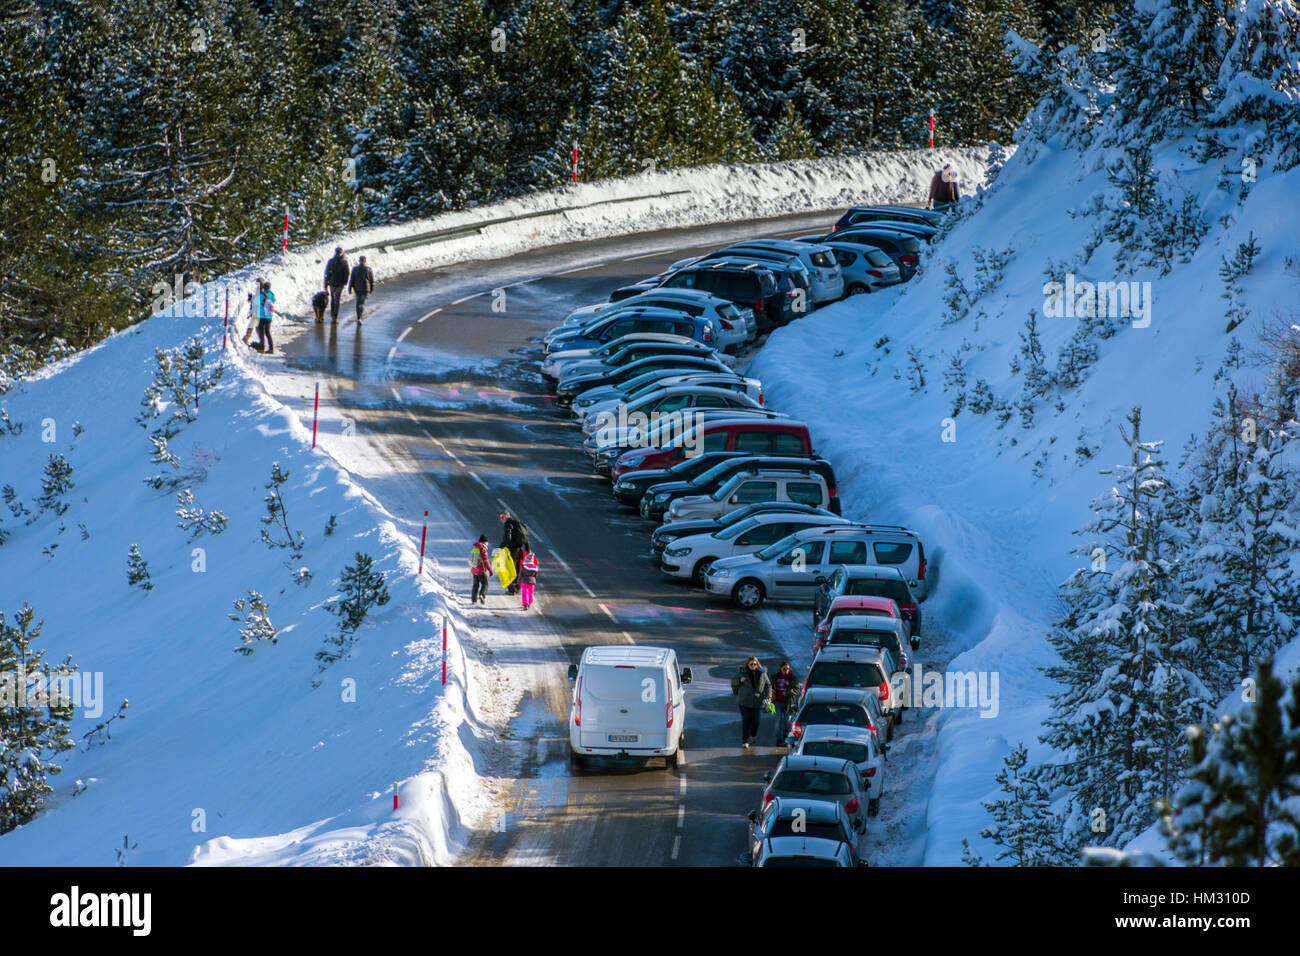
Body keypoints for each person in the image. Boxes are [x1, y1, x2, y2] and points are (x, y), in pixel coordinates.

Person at [730, 656, 772, 750]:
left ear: (757, 664)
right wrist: (740, 681)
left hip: (757, 701)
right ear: (747, 664)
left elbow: (768, 684)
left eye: (754, 664)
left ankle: (753, 735)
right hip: (744, 701)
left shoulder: (762, 673)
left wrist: (769, 696)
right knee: (746, 720)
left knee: (756, 721)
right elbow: (733, 681)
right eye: (751, 664)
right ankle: (745, 741)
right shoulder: (743, 673)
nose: (753, 665)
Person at [498, 510, 529, 596]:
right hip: (519, 548)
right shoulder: (518, 523)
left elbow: (507, 538)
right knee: (516, 568)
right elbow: (526, 536)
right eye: (500, 518)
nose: (501, 519)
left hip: (511, 549)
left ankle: (511, 589)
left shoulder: (508, 524)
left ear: (507, 516)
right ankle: (517, 587)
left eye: (502, 517)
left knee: (508, 569)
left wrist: (500, 548)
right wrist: (527, 549)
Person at [772, 661, 801, 746]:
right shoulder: (775, 677)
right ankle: (779, 739)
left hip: (789, 703)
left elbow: (797, 689)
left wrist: (788, 693)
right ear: (780, 669)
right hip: (777, 701)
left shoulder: (793, 678)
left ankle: (786, 737)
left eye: (788, 669)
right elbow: (770, 686)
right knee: (778, 721)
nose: (786, 670)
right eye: (784, 669)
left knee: (787, 721)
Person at [324, 246, 350, 323]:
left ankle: (333, 315)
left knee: (333, 299)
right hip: (339, 284)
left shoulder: (331, 261)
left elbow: (327, 273)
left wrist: (326, 285)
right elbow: (347, 274)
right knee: (337, 300)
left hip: (332, 283)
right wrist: (345, 283)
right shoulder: (344, 262)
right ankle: (335, 317)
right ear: (341, 253)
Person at [349, 255, 375, 323]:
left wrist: (350, 288)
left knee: (358, 303)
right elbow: (371, 280)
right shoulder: (368, 269)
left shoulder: (355, 269)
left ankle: (358, 317)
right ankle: (360, 318)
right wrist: (371, 288)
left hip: (357, 288)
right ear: (365, 261)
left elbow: (352, 279)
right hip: (365, 288)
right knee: (362, 303)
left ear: (359, 261)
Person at [469, 533, 492, 605]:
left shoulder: (475, 548)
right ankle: (482, 595)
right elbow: (486, 561)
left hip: (474, 570)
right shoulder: (483, 549)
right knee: (485, 584)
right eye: (487, 542)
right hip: (481, 570)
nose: (488, 543)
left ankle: (474, 600)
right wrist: (490, 570)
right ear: (484, 542)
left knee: (475, 585)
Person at [254, 280, 276, 353]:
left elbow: (256, 301)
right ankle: (271, 348)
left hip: (262, 317)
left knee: (261, 333)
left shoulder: (262, 295)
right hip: (269, 317)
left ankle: (262, 347)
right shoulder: (272, 294)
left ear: (264, 287)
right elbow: (273, 301)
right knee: (267, 333)